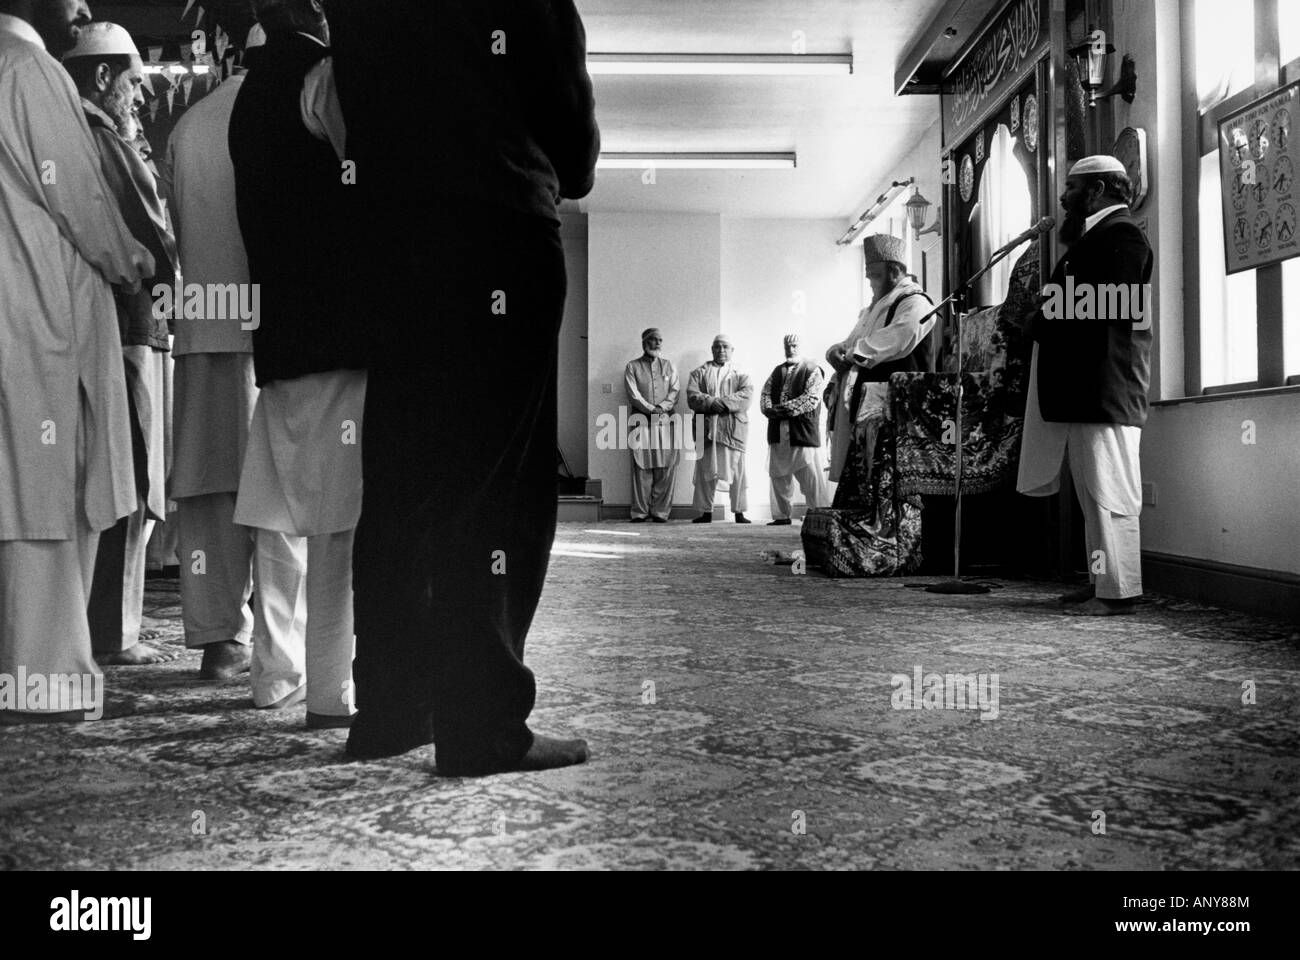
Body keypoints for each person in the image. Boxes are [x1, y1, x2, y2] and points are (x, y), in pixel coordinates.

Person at [332, 0, 600, 773]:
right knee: (497, 490)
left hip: (393, 246)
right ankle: (480, 722)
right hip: (498, 228)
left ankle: (391, 706)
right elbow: (574, 148)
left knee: (401, 478)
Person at [0, 0, 154, 722]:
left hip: (19, 310)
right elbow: (82, 201)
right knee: (48, 496)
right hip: (40, 312)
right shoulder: (29, 66)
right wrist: (132, 260)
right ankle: (46, 679)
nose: (85, 8)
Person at [157, 23, 302, 683]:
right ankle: (283, 649)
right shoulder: (292, 114)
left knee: (209, 489)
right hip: (273, 332)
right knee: (278, 493)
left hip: (201, 332)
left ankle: (219, 641)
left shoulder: (189, 125)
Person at [228, 0, 357, 727]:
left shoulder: (248, 96)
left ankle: (272, 674)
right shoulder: (322, 76)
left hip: (277, 328)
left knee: (278, 518)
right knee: (338, 521)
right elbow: (361, 184)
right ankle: (333, 690)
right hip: (337, 325)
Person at [63, 22, 180, 668]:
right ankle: (114, 633)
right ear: (103, 77)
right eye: (132, 83)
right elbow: (156, 238)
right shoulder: (104, 138)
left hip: (117, 328)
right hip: (132, 330)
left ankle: (107, 628)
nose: (138, 99)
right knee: (131, 480)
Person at [1017, 155, 1153, 616]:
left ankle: (1119, 594)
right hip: (1087, 388)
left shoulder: (1124, 236)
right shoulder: (1095, 237)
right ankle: (1101, 581)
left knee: (1111, 493)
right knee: (1092, 493)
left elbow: (1113, 307)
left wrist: (1043, 315)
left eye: (1071, 187)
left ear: (1096, 190)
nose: (1062, 196)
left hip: (1106, 386)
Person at [809, 234, 934, 576]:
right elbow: (853, 341)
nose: (870, 282)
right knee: (865, 472)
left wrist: (849, 355)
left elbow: (898, 338)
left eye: (874, 275)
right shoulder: (875, 307)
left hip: (898, 406)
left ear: (894, 271)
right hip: (869, 404)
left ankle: (891, 549)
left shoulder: (915, 302)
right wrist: (836, 350)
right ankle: (861, 545)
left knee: (887, 475)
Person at [760, 334, 829, 525]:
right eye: (787, 345)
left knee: (811, 476)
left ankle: (819, 514)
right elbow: (765, 394)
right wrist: (768, 409)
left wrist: (782, 410)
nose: (791, 349)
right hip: (778, 431)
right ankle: (782, 516)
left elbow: (811, 399)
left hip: (802, 431)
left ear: (802, 346)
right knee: (778, 475)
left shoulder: (812, 370)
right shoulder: (776, 371)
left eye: (795, 345)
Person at [687, 335, 754, 524]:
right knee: (704, 471)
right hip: (706, 429)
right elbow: (692, 396)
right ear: (712, 349)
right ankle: (705, 512)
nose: (721, 350)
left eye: (725, 347)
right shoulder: (699, 372)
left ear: (732, 350)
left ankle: (739, 512)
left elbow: (746, 396)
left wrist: (722, 403)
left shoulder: (741, 372)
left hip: (733, 430)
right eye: (717, 347)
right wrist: (710, 402)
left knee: (737, 471)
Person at [624, 328, 680, 523]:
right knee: (641, 467)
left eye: (660, 340)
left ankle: (660, 512)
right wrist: (651, 409)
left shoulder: (669, 366)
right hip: (640, 422)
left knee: (666, 467)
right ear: (644, 343)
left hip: (665, 422)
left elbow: (674, 391)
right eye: (653, 340)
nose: (656, 343)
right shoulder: (632, 367)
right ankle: (639, 512)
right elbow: (633, 394)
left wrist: (661, 408)